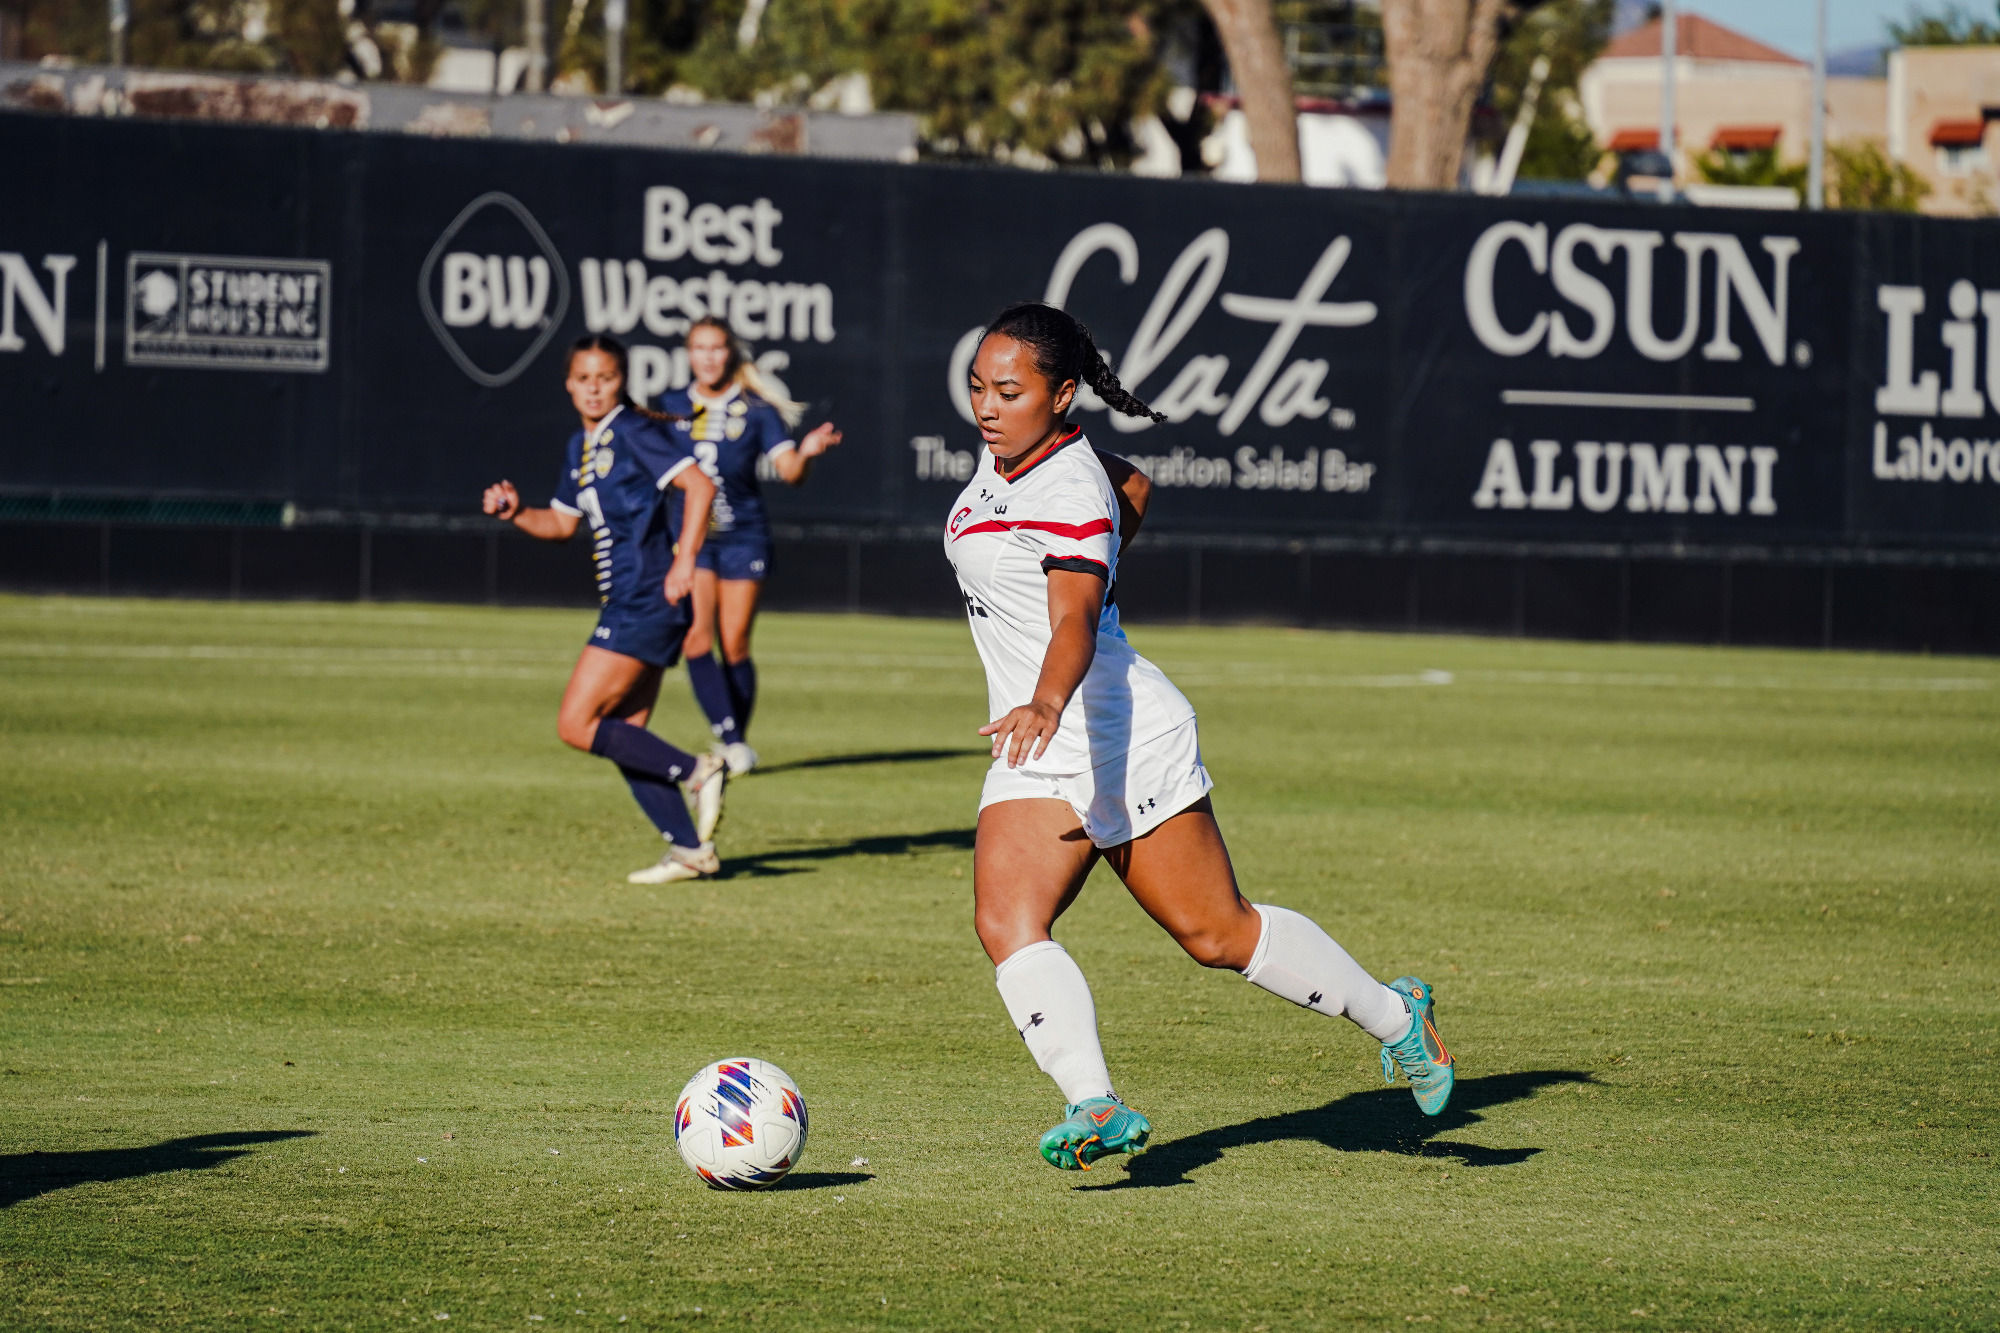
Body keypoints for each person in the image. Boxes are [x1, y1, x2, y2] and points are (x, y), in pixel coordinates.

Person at [946, 302, 1456, 1172]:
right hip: (1044, 746)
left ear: (1063, 394)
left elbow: (1071, 621)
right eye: (977, 386)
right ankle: (1094, 1102)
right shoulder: (1027, 460)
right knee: (1008, 920)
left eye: (1008, 390)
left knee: (1219, 935)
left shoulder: (1067, 488)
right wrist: (1099, 595)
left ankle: (1398, 1017)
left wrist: (1049, 689)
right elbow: (1135, 486)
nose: (986, 405)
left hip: (1116, 730)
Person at [482, 335, 732, 885]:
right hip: (638, 600)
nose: (594, 388)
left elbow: (697, 485)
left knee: (575, 723)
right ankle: (691, 852)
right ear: (569, 384)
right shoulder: (583, 445)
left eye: (605, 377)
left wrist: (685, 559)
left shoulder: (634, 430)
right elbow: (562, 525)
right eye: (584, 379)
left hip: (648, 596)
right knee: (624, 733)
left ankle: (699, 769)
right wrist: (517, 511)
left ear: (620, 381)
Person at [657, 316, 843, 775]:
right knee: (697, 637)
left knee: (734, 643)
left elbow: (790, 472)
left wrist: (808, 454)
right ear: (688, 354)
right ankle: (733, 740)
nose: (708, 357)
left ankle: (733, 739)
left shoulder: (757, 409)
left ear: (731, 353)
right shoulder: (670, 406)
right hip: (693, 540)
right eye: (699, 348)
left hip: (744, 537)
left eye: (717, 348)